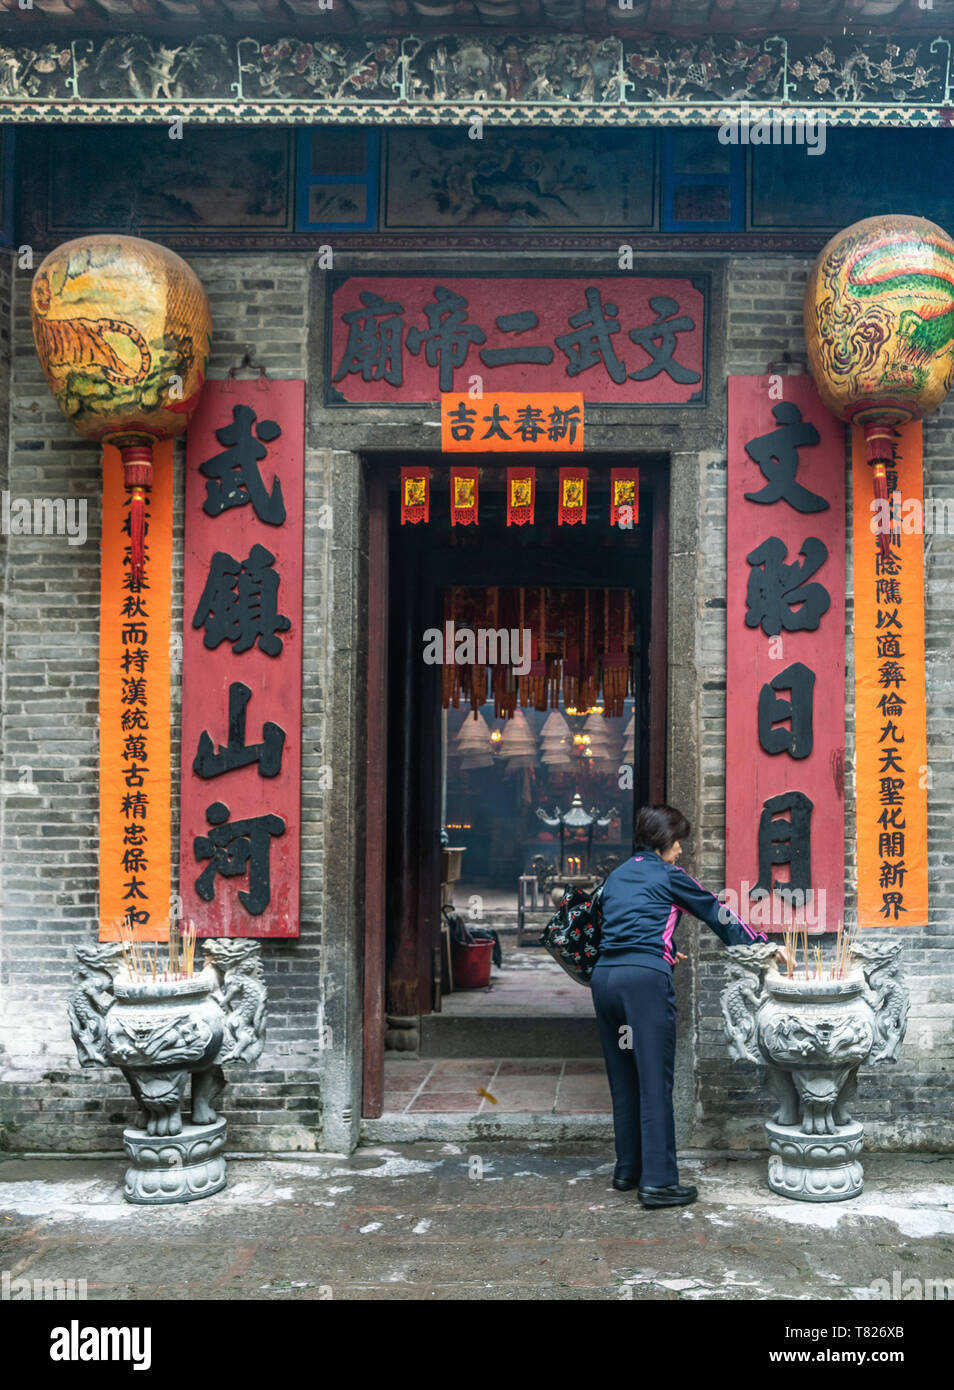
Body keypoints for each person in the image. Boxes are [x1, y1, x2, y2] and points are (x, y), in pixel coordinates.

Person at [590, 803, 792, 1209]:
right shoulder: (669, 876)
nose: (681, 849)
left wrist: (662, 950)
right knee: (653, 1080)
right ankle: (659, 1183)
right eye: (679, 841)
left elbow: (614, 927)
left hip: (605, 981)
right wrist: (763, 946)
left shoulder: (616, 876)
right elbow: (717, 913)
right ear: (664, 840)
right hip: (643, 985)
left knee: (623, 1077)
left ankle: (628, 1169)